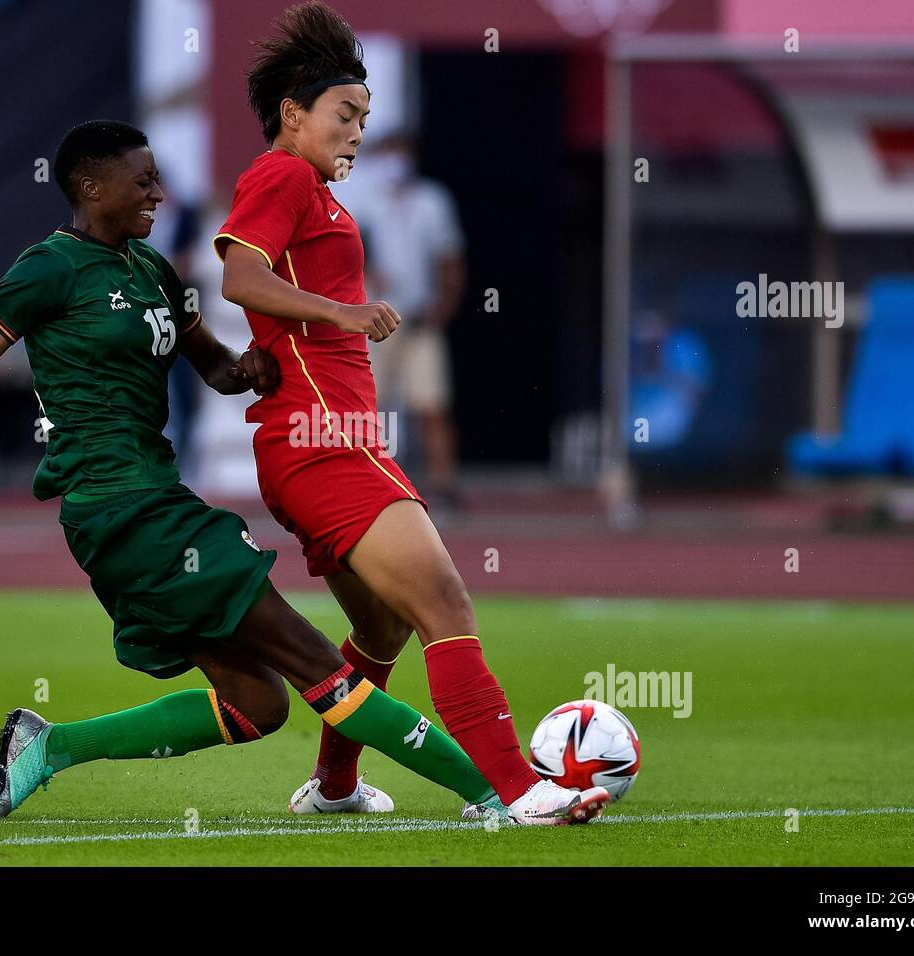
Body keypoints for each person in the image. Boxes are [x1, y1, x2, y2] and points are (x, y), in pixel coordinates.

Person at [0, 120, 514, 821]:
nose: (159, 192)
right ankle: (492, 790)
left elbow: (215, 366)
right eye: (142, 180)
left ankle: (48, 746)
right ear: (90, 186)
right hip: (119, 510)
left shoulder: (152, 270)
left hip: (156, 501)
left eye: (158, 179)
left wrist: (251, 371)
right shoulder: (48, 268)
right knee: (313, 662)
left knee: (258, 705)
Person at [214, 2, 608, 825]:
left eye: (365, 117)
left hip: (331, 443)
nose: (357, 132)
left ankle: (333, 786)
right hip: (324, 446)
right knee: (447, 606)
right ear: (293, 113)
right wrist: (344, 313)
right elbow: (239, 279)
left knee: (384, 631)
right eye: (344, 114)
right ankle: (520, 790)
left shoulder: (317, 192)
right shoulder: (282, 175)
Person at [347, 132, 466, 508]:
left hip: (418, 319)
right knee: (365, 406)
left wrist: (445, 306)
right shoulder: (364, 200)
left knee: (432, 403)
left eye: (400, 152)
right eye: (388, 153)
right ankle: (365, 486)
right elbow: (345, 250)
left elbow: (450, 258)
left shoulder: (432, 201)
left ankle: (443, 486)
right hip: (374, 319)